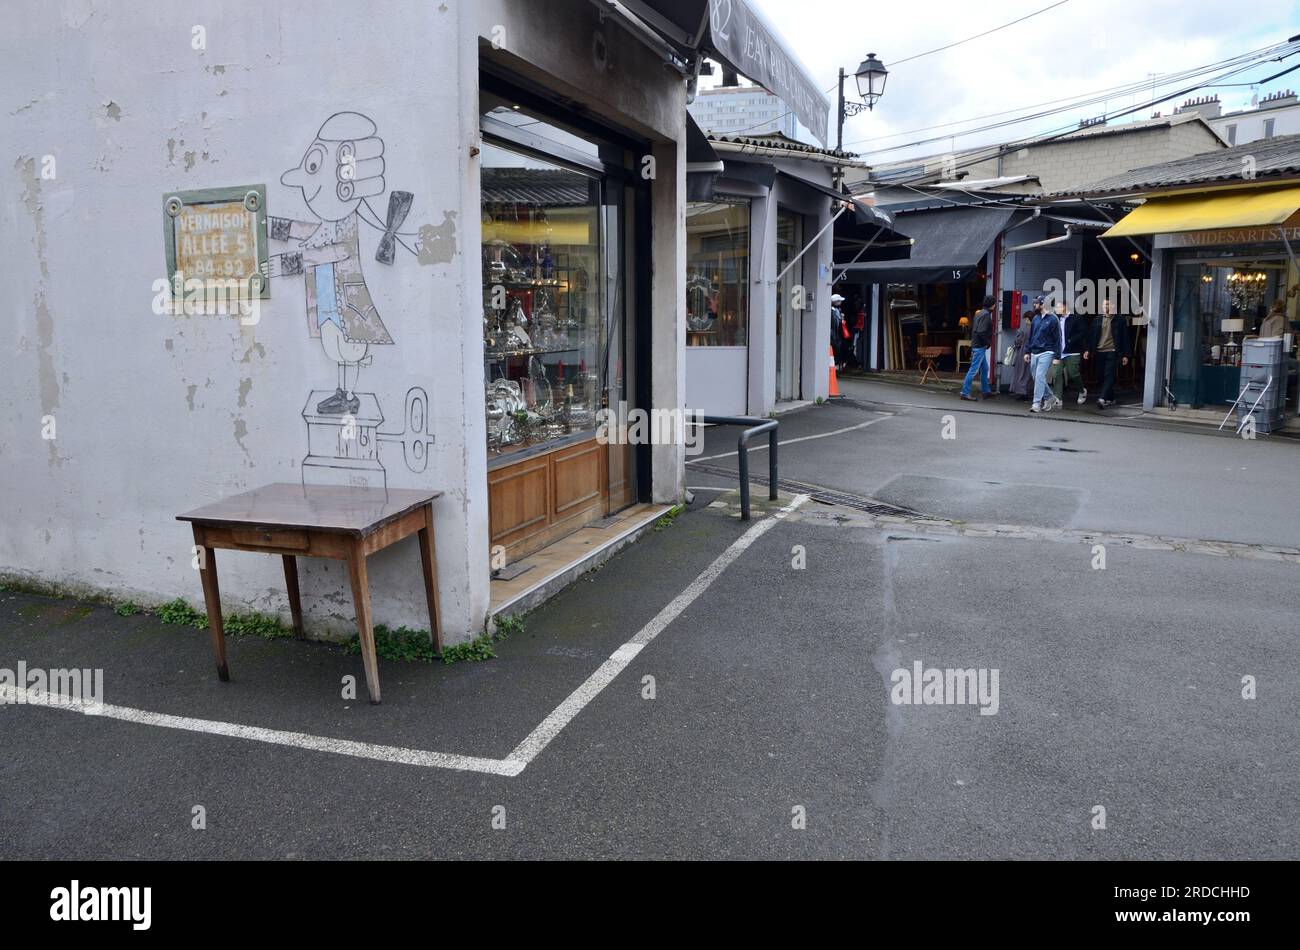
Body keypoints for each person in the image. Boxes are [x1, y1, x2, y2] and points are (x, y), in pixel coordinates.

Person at [1088, 297, 1130, 408]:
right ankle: (1110, 398)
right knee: (1101, 376)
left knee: (1109, 375)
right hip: (1099, 351)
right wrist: (1088, 349)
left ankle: (1102, 398)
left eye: (1107, 304)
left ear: (1113, 306)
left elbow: (1125, 337)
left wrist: (1125, 355)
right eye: (1104, 304)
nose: (1105, 306)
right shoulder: (1097, 319)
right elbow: (1092, 336)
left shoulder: (1120, 320)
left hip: (1112, 351)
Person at [1025, 298, 1062, 413]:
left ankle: (1036, 404)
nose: (1034, 305)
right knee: (1036, 377)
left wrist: (1057, 356)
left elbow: (1058, 339)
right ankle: (1050, 397)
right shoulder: (1035, 318)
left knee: (1040, 377)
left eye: (1036, 303)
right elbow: (1031, 336)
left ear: (1043, 304)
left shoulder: (1053, 319)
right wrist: (1027, 351)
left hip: (1047, 351)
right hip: (1034, 351)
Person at [1050, 300, 1090, 407]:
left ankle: (1082, 391)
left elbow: (1083, 333)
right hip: (1059, 352)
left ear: (1065, 307)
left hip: (1072, 351)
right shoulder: (1056, 319)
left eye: (1058, 307)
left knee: (1073, 374)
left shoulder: (1076, 318)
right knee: (1056, 374)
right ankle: (1058, 398)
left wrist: (1072, 341)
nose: (1056, 309)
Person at [960, 295, 997, 401]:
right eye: (994, 304)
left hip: (977, 345)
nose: (995, 306)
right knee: (973, 370)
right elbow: (981, 332)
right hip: (980, 346)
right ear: (992, 305)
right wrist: (987, 342)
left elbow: (975, 329)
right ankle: (965, 393)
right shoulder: (986, 315)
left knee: (985, 368)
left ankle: (986, 391)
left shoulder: (979, 313)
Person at [1009, 295, 1042, 400]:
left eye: (1025, 319)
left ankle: (1020, 391)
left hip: (1022, 352)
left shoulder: (1024, 328)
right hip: (1033, 353)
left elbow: (1017, 341)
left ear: (1028, 319)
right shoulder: (1036, 327)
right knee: (1029, 374)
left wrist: (1015, 344)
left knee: (1020, 373)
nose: (1024, 321)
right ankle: (1028, 391)